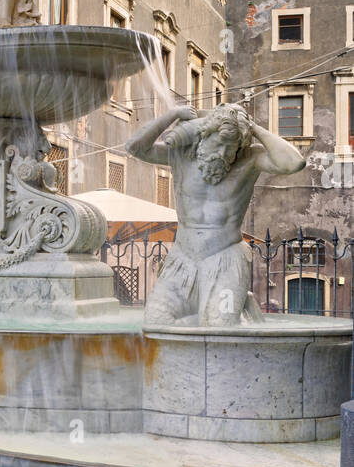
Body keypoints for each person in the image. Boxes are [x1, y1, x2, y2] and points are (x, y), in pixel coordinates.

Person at [124, 102, 306, 325]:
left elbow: (294, 162)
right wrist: (172, 114)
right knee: (155, 321)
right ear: (205, 135)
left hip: (226, 258)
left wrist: (253, 128)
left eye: (230, 148)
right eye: (219, 143)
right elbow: (135, 147)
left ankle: (228, 309)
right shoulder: (181, 155)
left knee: (219, 326)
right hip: (182, 260)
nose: (223, 153)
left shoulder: (249, 158)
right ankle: (235, 312)